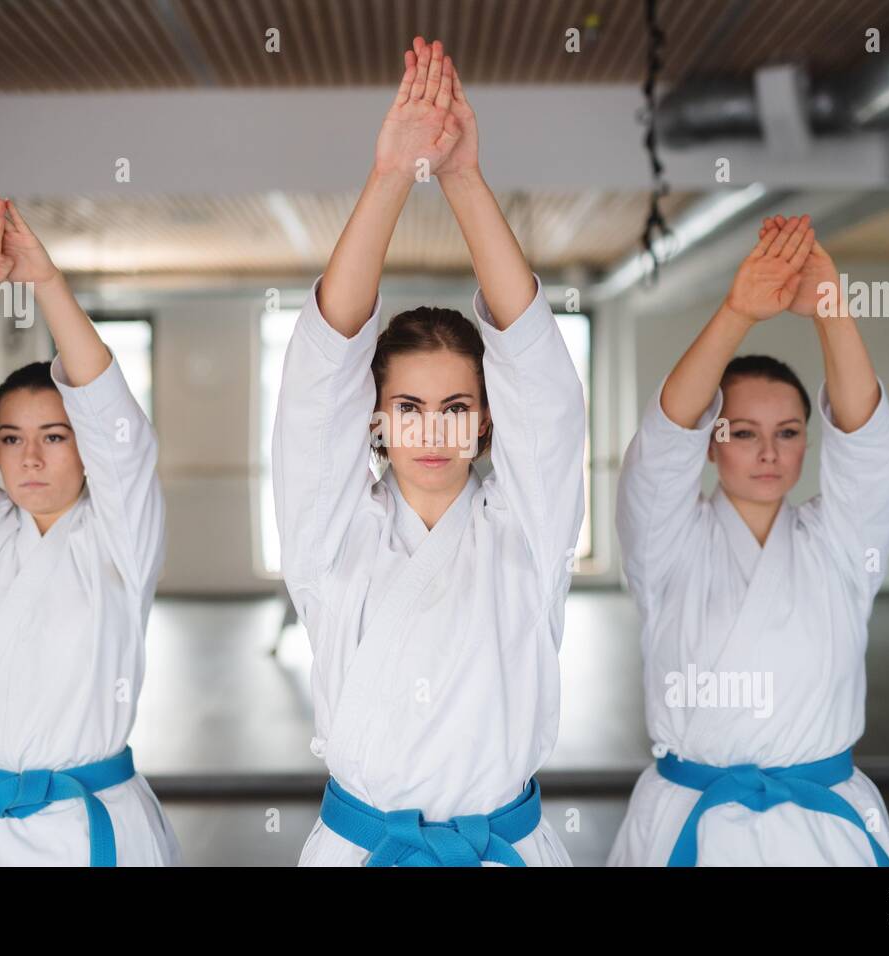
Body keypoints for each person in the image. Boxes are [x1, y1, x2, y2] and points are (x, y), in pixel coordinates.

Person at [273, 37, 586, 866]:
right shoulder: (333, 533)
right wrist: (388, 178)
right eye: (407, 407)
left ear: (488, 421)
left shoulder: (529, 529)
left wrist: (460, 179)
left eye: (458, 407)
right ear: (372, 419)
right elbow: (316, 383)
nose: (434, 430)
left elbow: (544, 389)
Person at [607, 214, 889, 867]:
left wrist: (830, 305)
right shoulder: (667, 544)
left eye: (789, 432)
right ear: (711, 445)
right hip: (694, 820)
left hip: (824, 829)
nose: (768, 452)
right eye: (742, 432)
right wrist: (738, 311)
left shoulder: (843, 545)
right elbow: (660, 450)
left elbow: (868, 454)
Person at [0, 188, 179, 866]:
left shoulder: (121, 539)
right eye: (11, 438)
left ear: (85, 444)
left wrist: (48, 285)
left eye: (55, 436)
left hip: (88, 828)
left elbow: (122, 437)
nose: (29, 457)